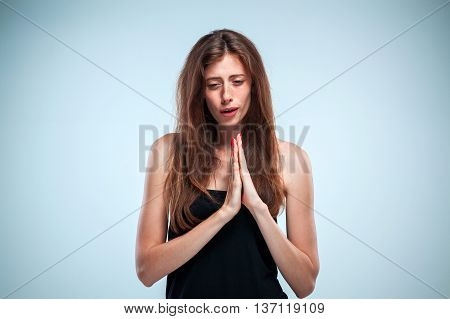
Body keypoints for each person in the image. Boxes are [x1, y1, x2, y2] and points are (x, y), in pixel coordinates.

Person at [135, 29, 319, 298]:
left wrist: (257, 208)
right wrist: (224, 214)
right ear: (200, 92)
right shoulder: (167, 152)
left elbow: (305, 285)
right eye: (213, 84)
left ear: (253, 86)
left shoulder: (290, 159)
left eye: (237, 81)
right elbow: (146, 270)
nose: (226, 96)